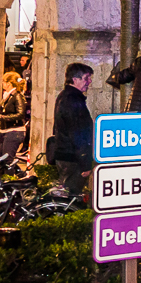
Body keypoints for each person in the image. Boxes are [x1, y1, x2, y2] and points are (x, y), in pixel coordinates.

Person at [49, 63, 94, 197]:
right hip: (72, 157)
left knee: (67, 194)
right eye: (86, 78)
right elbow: (78, 134)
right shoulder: (72, 100)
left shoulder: (66, 96)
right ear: (75, 79)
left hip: (66, 155)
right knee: (71, 196)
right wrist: (85, 163)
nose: (89, 82)